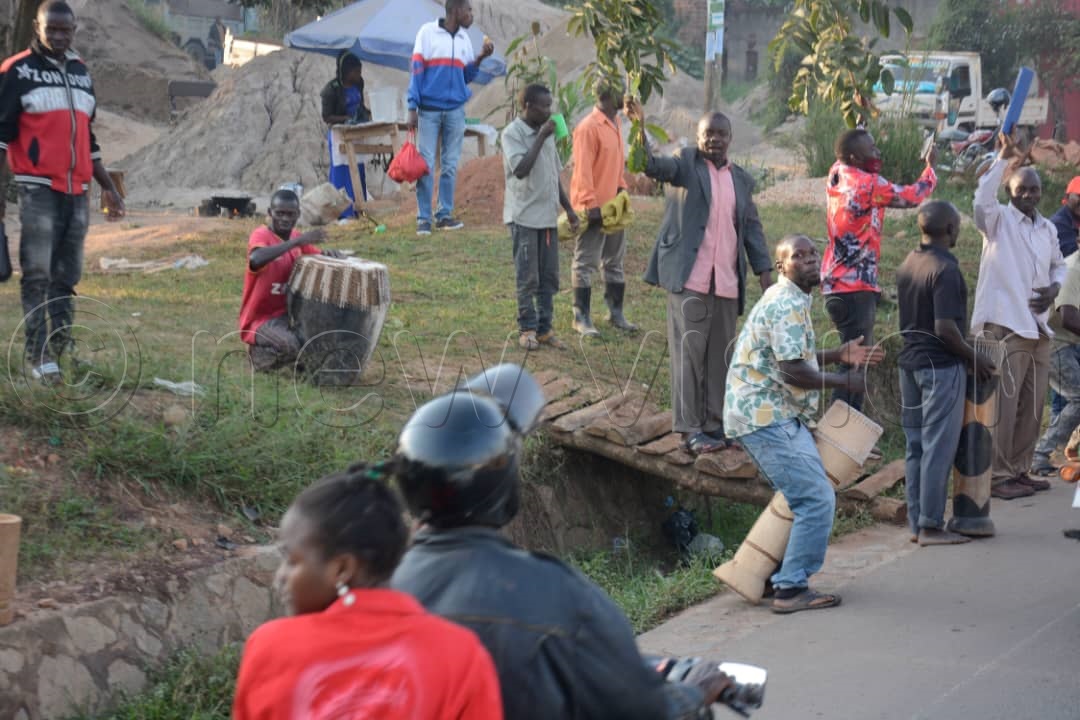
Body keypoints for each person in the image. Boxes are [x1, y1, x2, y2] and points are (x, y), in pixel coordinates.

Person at [392, 364, 735, 720]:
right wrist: (693, 694)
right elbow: (639, 705)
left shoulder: (375, 596)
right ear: (502, 483)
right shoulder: (551, 591)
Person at [232, 466, 503, 719]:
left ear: (342, 569)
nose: (280, 577)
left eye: (292, 561)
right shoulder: (461, 655)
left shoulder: (271, 648)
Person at [724, 235, 882, 612]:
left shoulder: (792, 299)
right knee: (815, 497)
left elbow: (793, 356)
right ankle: (791, 589)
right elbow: (793, 371)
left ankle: (772, 574)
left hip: (772, 413)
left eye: (814, 254)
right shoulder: (785, 304)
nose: (810, 260)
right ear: (781, 266)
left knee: (805, 494)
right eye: (799, 256)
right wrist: (845, 380)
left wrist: (836, 354)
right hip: (764, 416)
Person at [628, 100, 773, 455]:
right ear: (698, 136)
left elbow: (751, 229)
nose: (715, 140)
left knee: (720, 358)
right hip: (690, 279)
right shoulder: (686, 164)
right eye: (708, 133)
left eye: (721, 134)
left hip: (725, 282)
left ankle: (715, 425)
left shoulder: (740, 179)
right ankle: (690, 429)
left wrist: (767, 275)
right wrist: (638, 129)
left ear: (731, 138)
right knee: (689, 356)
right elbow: (649, 165)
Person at [0, 0, 125, 385]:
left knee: (66, 276)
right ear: (37, 28)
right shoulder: (16, 70)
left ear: (74, 30)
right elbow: (1, 139)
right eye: (49, 28)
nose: (57, 36)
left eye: (64, 30)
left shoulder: (81, 71)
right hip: (38, 190)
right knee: (37, 274)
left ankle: (62, 347)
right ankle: (38, 356)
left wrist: (109, 187)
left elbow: (87, 136)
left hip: (78, 191)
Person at [971, 132, 1066, 500]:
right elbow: (981, 200)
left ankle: (1019, 469)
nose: (1029, 195)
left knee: (1032, 406)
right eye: (1022, 189)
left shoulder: (1047, 228)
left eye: (1034, 190)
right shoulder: (996, 223)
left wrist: (1056, 288)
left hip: (1039, 328)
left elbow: (1059, 266)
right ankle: (997, 476)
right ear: (1011, 191)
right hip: (1006, 325)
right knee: (1005, 406)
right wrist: (1002, 161)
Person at [897, 201, 996, 545]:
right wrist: (975, 359)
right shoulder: (946, 270)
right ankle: (931, 526)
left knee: (915, 447)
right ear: (952, 230)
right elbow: (945, 329)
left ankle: (917, 524)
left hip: (909, 365)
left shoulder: (909, 261)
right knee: (939, 447)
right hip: (939, 367)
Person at [822, 128, 937, 410]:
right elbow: (912, 196)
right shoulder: (869, 184)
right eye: (871, 149)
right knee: (856, 363)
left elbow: (847, 144)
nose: (878, 153)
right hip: (856, 289)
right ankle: (840, 438)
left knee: (851, 358)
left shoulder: (837, 172)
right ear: (854, 156)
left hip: (833, 284)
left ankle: (841, 434)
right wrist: (930, 169)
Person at [502, 84, 579, 351]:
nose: (549, 112)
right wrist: (541, 137)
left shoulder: (546, 134)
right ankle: (527, 329)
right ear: (527, 107)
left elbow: (552, 175)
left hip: (547, 217)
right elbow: (521, 169)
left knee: (549, 277)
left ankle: (545, 329)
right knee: (528, 277)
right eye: (543, 107)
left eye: (550, 106)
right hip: (523, 217)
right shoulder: (512, 134)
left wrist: (568, 209)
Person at [407, 0, 494, 235]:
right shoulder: (427, 33)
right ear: (456, 11)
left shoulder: (465, 40)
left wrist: (479, 59)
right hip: (429, 110)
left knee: (450, 164)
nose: (471, 15)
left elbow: (465, 76)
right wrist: (412, 107)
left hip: (456, 109)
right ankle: (423, 217)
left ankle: (444, 215)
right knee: (425, 163)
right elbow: (416, 72)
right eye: (469, 10)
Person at [238, 189, 342, 372]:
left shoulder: (296, 239)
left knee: (319, 342)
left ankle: (292, 360)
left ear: (298, 215)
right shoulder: (262, 236)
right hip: (261, 319)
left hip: (288, 316)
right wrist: (296, 242)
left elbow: (316, 258)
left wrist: (330, 255)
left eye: (290, 214)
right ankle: (259, 357)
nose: (285, 219)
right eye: (279, 214)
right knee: (292, 346)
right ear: (270, 213)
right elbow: (255, 259)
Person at [569, 81, 636, 336]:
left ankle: (615, 313)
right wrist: (590, 205)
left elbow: (616, 164)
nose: (626, 95)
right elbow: (583, 170)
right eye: (621, 91)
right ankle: (581, 317)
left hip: (613, 205)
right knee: (586, 261)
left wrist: (621, 189)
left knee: (614, 260)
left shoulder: (615, 122)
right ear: (609, 95)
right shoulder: (588, 127)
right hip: (594, 207)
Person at [1030, 206, 1080, 477]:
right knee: (1079, 397)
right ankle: (1041, 453)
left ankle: (1071, 445)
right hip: (1057, 344)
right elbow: (1070, 318)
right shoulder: (1074, 268)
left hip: (1070, 343)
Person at [321, 52, 371, 219]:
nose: (359, 75)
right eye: (356, 72)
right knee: (342, 173)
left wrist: (365, 114)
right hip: (339, 136)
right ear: (346, 71)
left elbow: (360, 105)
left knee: (358, 171)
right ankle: (343, 213)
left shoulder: (359, 84)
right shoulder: (331, 89)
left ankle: (358, 209)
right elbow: (327, 117)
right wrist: (347, 119)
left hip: (356, 134)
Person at [1048, 176, 1080, 421]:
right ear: (1067, 197)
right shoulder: (1059, 224)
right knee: (1070, 397)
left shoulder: (1074, 223)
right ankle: (1050, 452)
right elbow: (1071, 260)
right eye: (1078, 198)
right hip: (1059, 312)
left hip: (1069, 310)